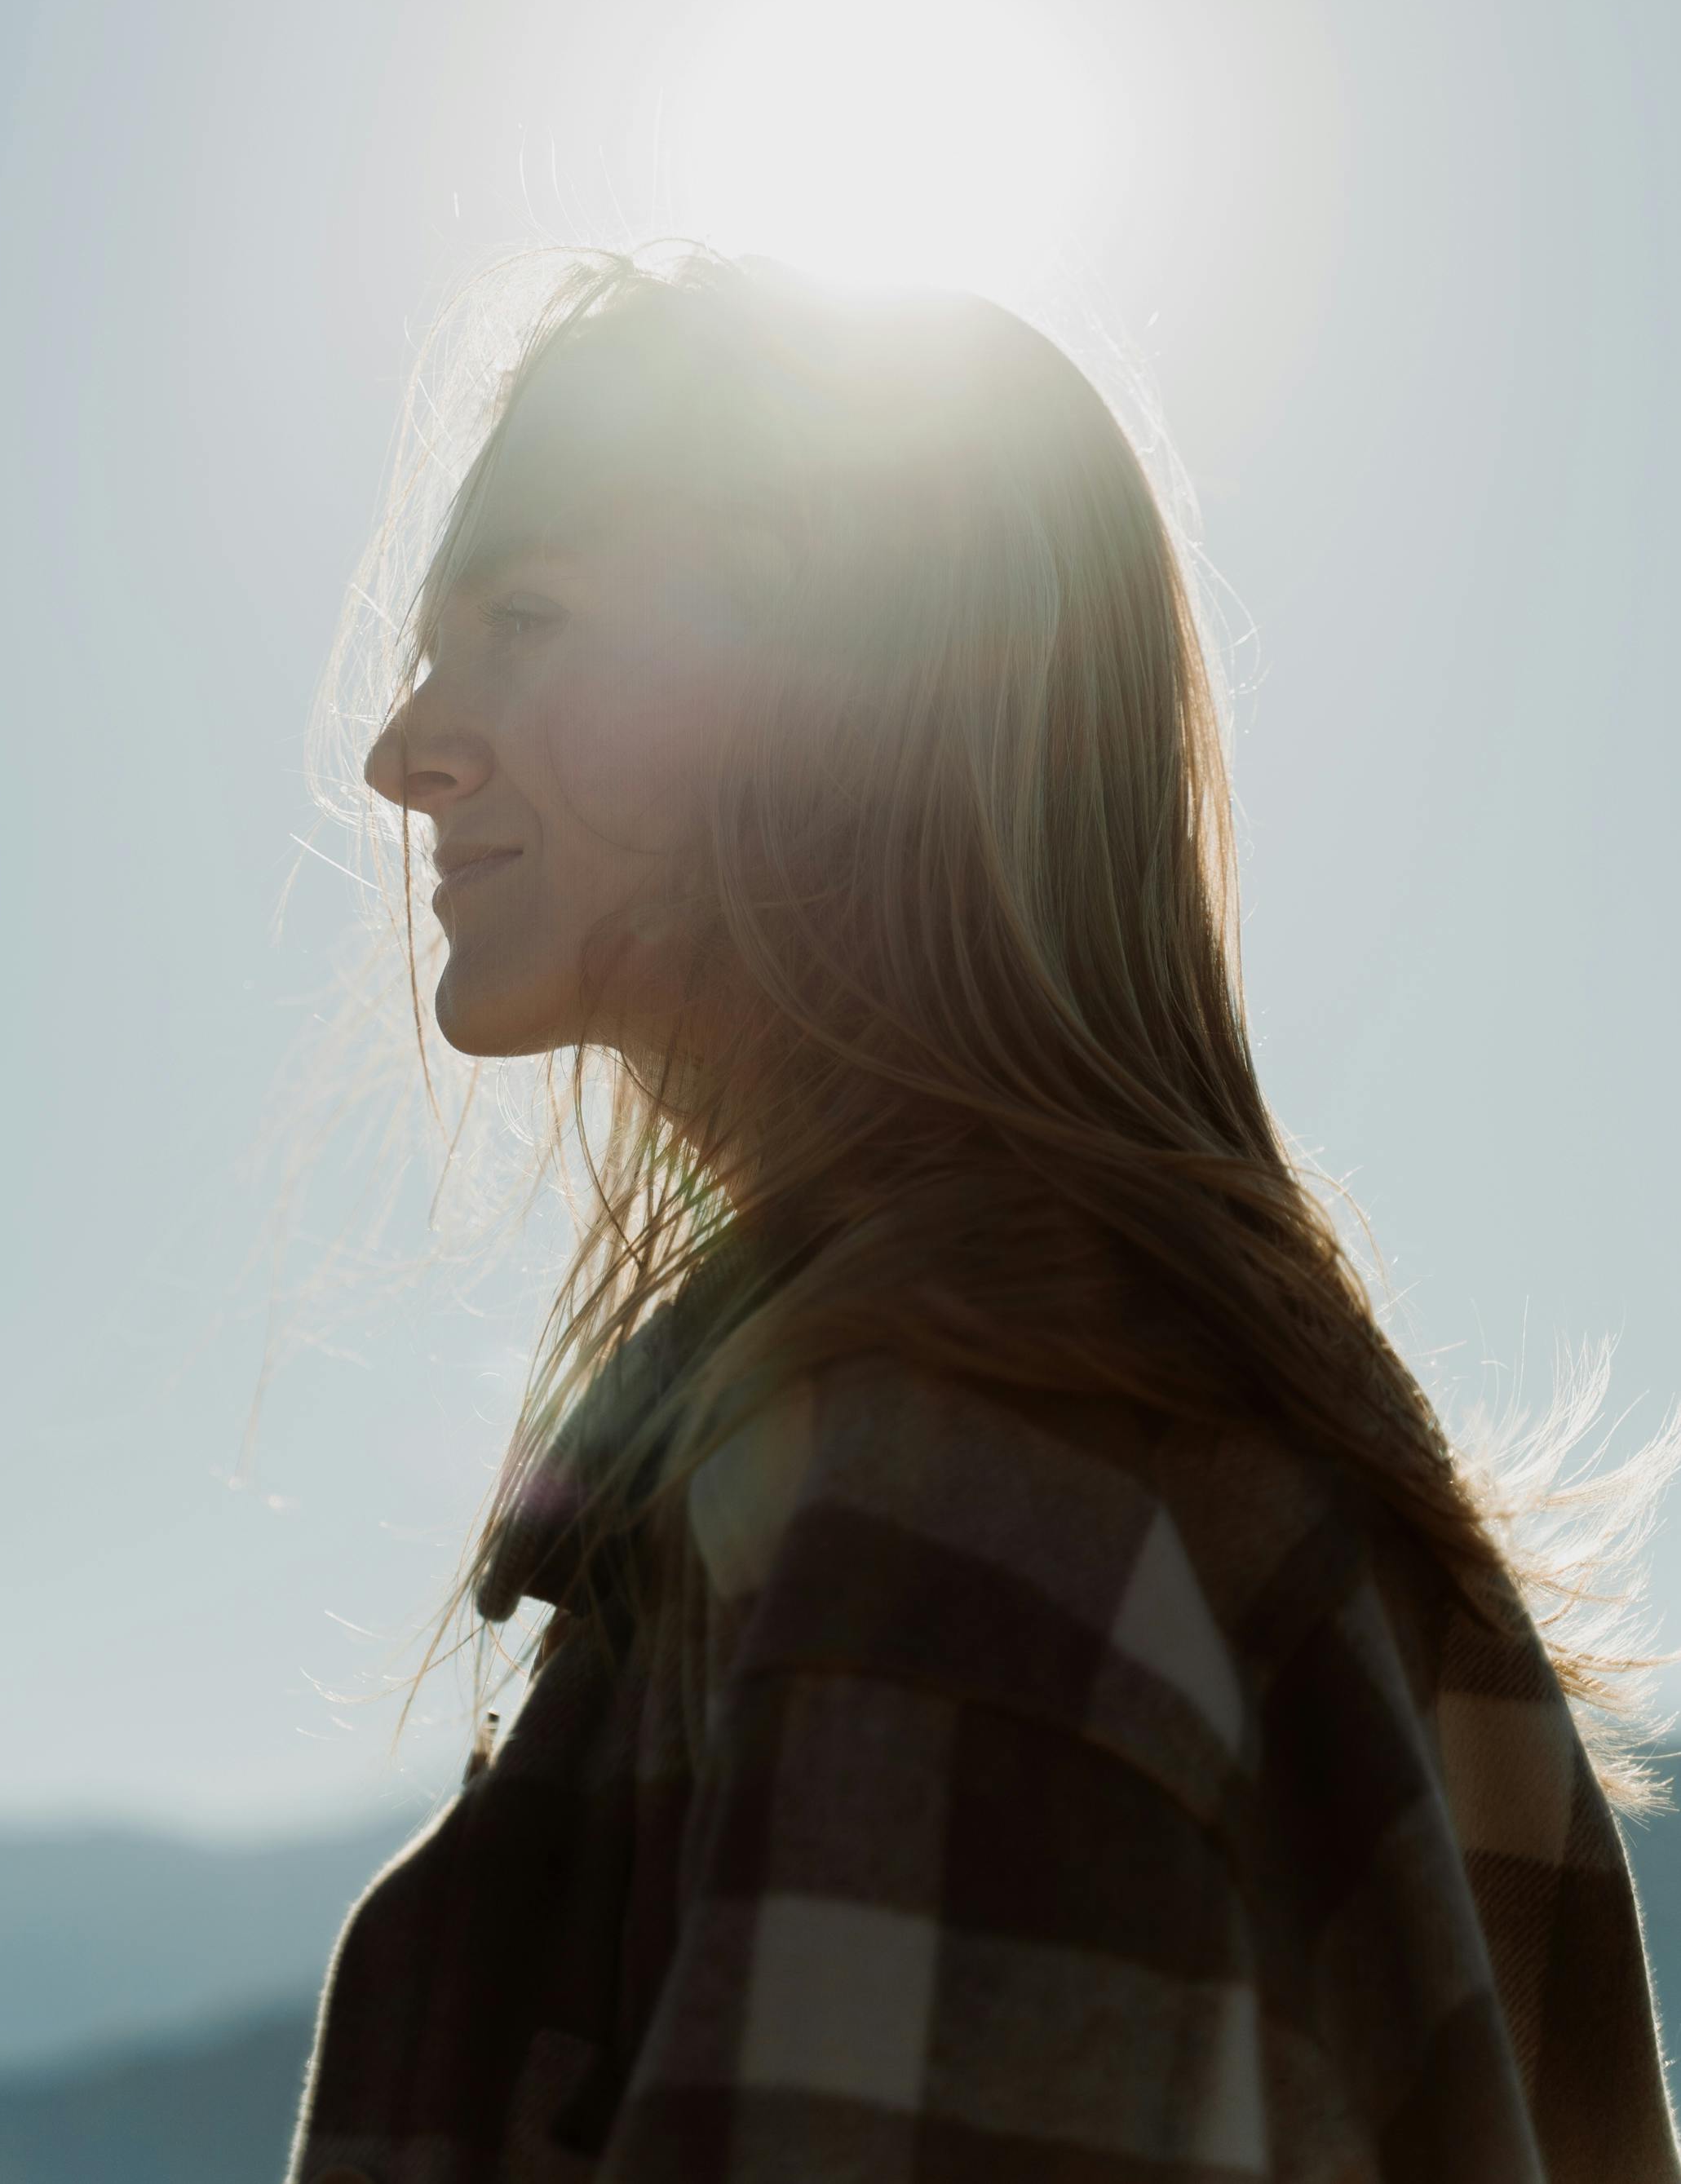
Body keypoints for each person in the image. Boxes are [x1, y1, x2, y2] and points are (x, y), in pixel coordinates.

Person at [287, 250, 1676, 2183]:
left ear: (850, 699)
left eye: (524, 616)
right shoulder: (1156, 1428)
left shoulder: (955, 1477)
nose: (403, 748)